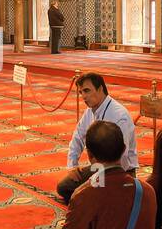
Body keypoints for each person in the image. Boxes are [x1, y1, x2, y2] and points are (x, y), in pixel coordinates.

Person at [57, 73, 138, 203]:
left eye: (87, 91)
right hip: (99, 168)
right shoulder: (90, 111)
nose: (83, 96)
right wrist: (72, 165)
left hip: (121, 171)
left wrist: (100, 177)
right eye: (81, 92)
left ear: (100, 89)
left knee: (91, 196)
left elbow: (123, 156)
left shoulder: (118, 115)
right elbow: (77, 137)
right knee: (64, 187)